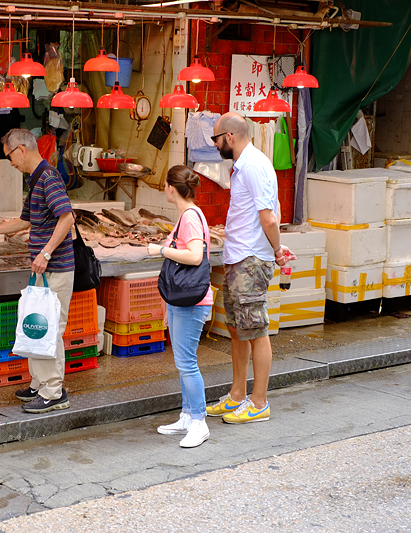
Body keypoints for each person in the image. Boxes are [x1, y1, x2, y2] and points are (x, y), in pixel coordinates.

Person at [0, 128, 75, 414]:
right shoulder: (35, 178)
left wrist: (46, 252)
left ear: (22, 149)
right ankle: (40, 384)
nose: (10, 163)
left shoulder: (48, 177)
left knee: (49, 327)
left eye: (9, 157)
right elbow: (24, 221)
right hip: (43, 268)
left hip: (55, 267)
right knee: (36, 325)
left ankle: (54, 392)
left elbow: (67, 217)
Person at [206, 112, 293, 423]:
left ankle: (259, 402)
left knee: (255, 330)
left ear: (229, 137)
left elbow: (268, 217)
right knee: (237, 329)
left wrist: (277, 251)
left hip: (251, 260)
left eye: (215, 139)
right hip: (237, 258)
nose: (214, 145)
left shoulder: (254, 166)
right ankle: (238, 395)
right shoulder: (242, 166)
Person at [147, 166, 213, 448]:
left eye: (164, 185)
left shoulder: (189, 218)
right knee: (183, 361)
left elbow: (195, 256)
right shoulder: (188, 215)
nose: (164, 189)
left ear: (171, 188)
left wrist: (160, 250)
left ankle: (199, 421)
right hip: (181, 300)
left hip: (192, 300)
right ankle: (188, 415)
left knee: (187, 363)